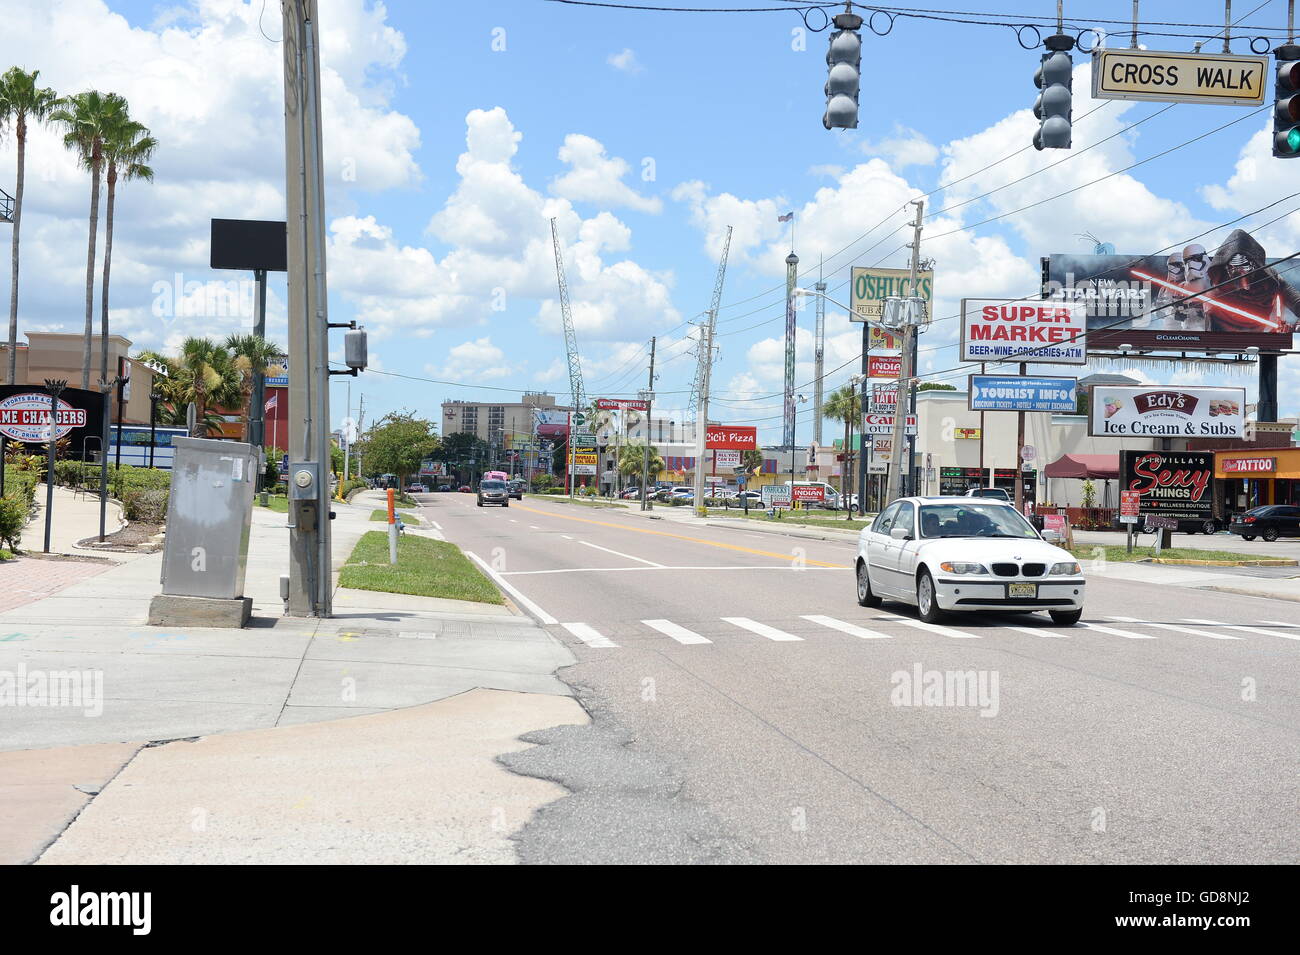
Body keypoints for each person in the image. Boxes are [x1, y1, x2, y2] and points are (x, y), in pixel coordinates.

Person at [1203, 229, 1300, 333]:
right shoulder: (1216, 286)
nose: (1239, 274)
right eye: (1233, 269)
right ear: (1226, 268)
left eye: (1244, 268)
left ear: (1254, 266)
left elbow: (1296, 301)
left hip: (1262, 338)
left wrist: (1297, 325)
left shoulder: (1271, 280)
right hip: (1224, 339)